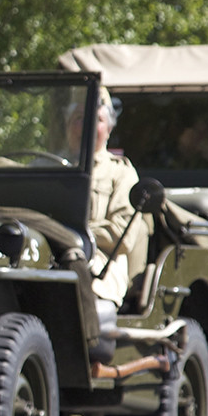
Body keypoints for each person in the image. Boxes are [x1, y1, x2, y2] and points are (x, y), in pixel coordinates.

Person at [69, 89, 146, 305]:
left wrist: (66, 231)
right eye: (78, 118)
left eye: (97, 119)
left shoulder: (120, 172)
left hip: (98, 269)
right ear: (67, 125)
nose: (86, 126)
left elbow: (123, 235)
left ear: (109, 128)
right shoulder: (45, 167)